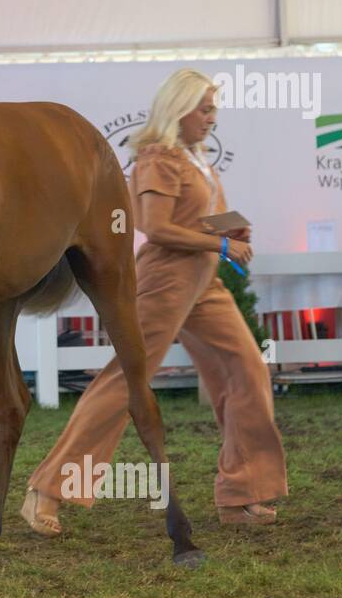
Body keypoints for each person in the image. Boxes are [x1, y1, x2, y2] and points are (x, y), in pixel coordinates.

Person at [19, 69, 288, 535]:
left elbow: (198, 218)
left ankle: (240, 493)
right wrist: (222, 246)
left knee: (248, 368)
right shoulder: (157, 158)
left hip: (204, 284)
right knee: (125, 383)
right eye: (204, 109)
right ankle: (47, 490)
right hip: (165, 281)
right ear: (178, 109)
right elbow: (158, 228)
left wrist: (228, 227)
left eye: (213, 110)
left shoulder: (197, 157)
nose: (211, 118)